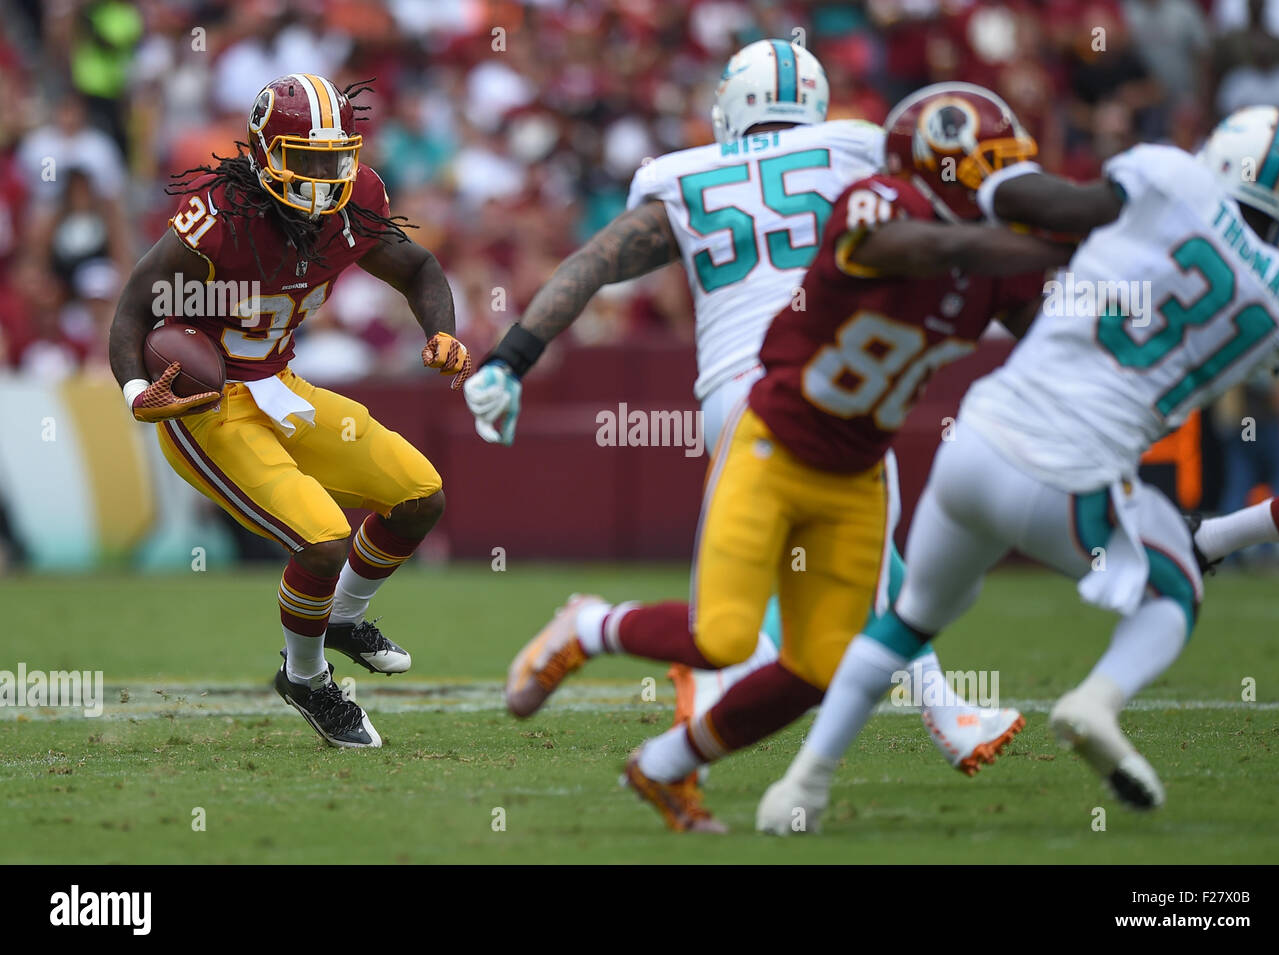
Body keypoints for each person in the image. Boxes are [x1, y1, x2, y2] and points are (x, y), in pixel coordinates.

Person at [501, 83, 1065, 831]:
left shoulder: (884, 202)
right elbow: (945, 241)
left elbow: (1047, 327)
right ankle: (592, 627)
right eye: (988, 169)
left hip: (839, 450)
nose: (999, 185)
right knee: (727, 631)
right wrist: (1073, 228)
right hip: (776, 413)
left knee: (819, 662)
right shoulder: (873, 199)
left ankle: (668, 762)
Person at [759, 105, 1279, 833]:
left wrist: (983, 168)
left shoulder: (1168, 177)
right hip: (1070, 478)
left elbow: (1047, 206)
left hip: (976, 445)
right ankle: (1097, 700)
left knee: (910, 618)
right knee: (1174, 592)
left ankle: (802, 787)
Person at [107, 74, 470, 749]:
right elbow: (131, 312)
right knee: (323, 537)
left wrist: (440, 332)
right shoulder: (215, 220)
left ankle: (344, 616)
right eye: (305, 157)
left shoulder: (356, 201)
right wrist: (137, 393)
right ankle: (305, 676)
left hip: (281, 384)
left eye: (335, 157)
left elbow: (419, 268)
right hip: (209, 407)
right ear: (263, 152)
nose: (323, 174)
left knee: (419, 494)